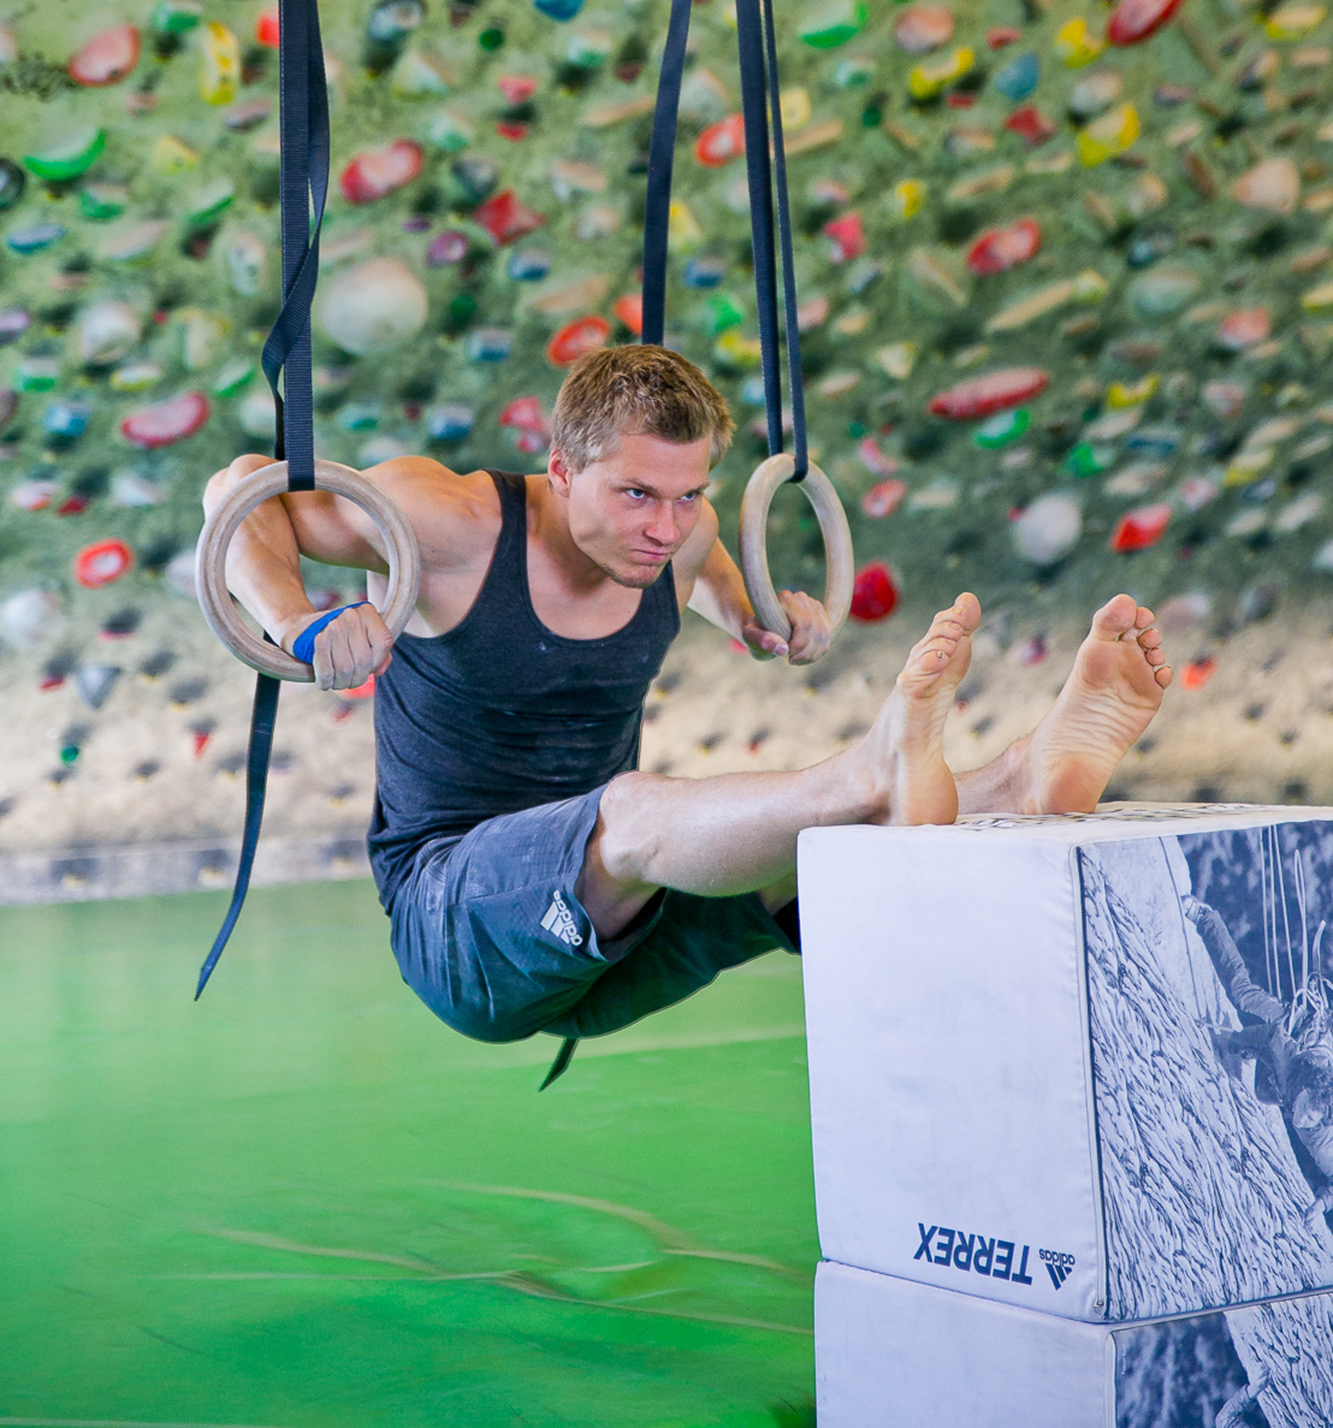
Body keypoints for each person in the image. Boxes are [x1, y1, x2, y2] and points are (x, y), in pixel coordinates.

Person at [203, 344, 1173, 1067]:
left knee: (818, 860)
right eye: (633, 493)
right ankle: (870, 771)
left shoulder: (683, 530)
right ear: (562, 470)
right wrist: (297, 621)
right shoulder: (451, 522)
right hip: (461, 925)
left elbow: (707, 561)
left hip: (630, 929)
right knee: (632, 808)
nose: (663, 526)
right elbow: (241, 489)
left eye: (685, 493)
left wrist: (759, 609)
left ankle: (1017, 778)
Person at [1183, 889, 1333, 1228]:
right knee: (1242, 994)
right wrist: (1234, 1041)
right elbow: (1270, 1035)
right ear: (1307, 1090)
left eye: (1309, 1116)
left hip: (1299, 1066)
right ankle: (1207, 917)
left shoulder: (1326, 1145)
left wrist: (1321, 1204)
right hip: (1297, 1030)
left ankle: (1263, 1063)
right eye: (1305, 1105)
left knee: (1266, 1093)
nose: (1301, 1116)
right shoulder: (1297, 1068)